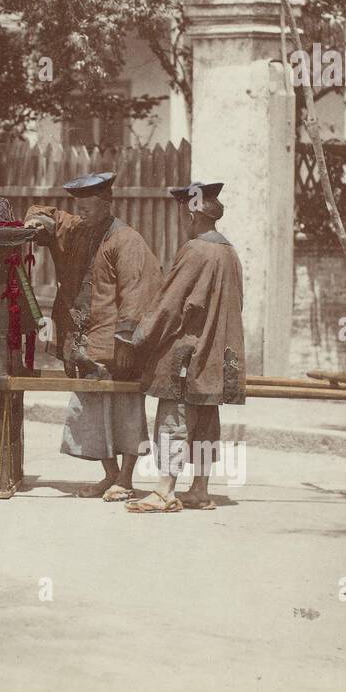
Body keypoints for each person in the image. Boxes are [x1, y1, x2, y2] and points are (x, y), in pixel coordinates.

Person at [24, 171, 163, 500]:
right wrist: (36, 223)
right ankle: (110, 475)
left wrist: (128, 340)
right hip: (81, 343)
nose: (83, 212)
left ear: (107, 203)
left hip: (114, 344)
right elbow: (44, 214)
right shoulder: (75, 231)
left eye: (90, 206)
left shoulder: (127, 241)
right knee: (91, 411)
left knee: (126, 411)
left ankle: (126, 480)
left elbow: (139, 292)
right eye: (79, 206)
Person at [124, 181, 245, 513]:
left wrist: (140, 339)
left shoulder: (194, 250)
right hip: (217, 353)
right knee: (206, 415)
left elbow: (169, 305)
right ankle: (200, 490)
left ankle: (165, 490)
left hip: (187, 351)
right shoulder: (229, 253)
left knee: (173, 416)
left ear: (192, 216)